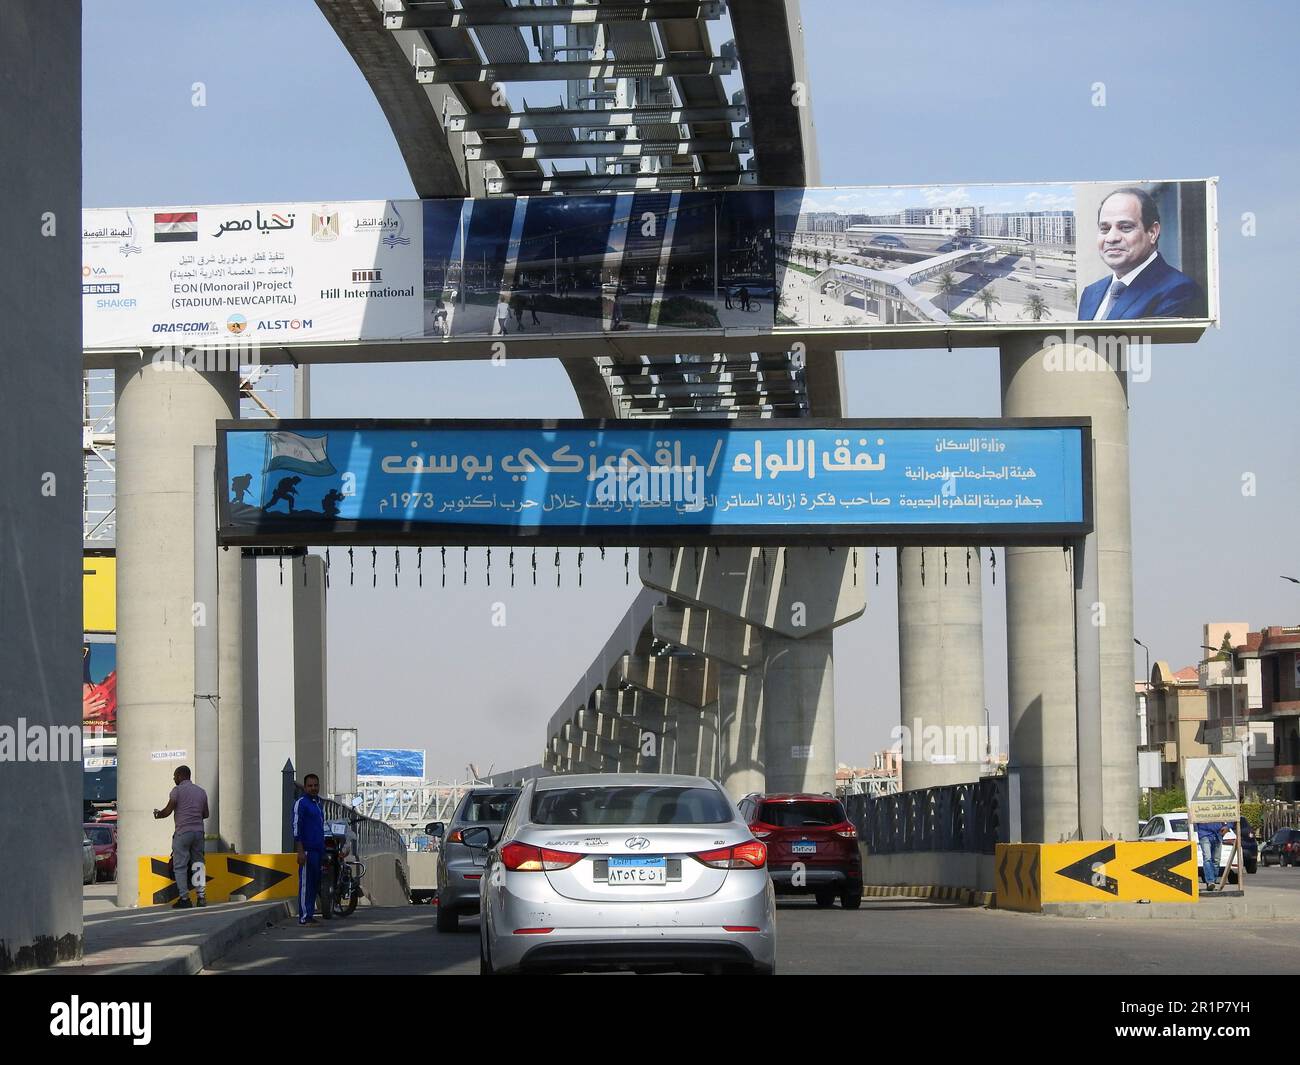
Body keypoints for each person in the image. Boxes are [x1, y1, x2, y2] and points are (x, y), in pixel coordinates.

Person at [1077, 186, 1206, 320]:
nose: (1111, 238)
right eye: (1105, 229)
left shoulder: (1179, 291)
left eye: (1125, 227)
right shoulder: (1090, 293)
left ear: (1152, 233)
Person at [153, 765, 209, 908]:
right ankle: (201, 897)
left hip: (183, 833)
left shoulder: (176, 791)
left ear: (179, 776)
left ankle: (185, 899)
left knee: (180, 866)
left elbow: (168, 811)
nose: (173, 779)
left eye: (174, 776)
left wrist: (158, 814)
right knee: (198, 864)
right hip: (198, 833)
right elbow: (206, 814)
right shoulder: (201, 792)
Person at [292, 773, 326, 925]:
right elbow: (296, 826)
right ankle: (304, 916)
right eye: (310, 786)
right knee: (306, 883)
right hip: (306, 850)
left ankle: (310, 913)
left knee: (314, 882)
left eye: (316, 785)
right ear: (305, 787)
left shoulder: (318, 804)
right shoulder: (302, 803)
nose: (313, 788)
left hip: (318, 851)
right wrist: (300, 850)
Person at [1197, 819, 1228, 891]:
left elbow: (1229, 815)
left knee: (1216, 860)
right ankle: (1210, 881)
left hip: (1218, 835)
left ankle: (1213, 881)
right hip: (1204, 834)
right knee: (1207, 858)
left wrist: (1227, 826)